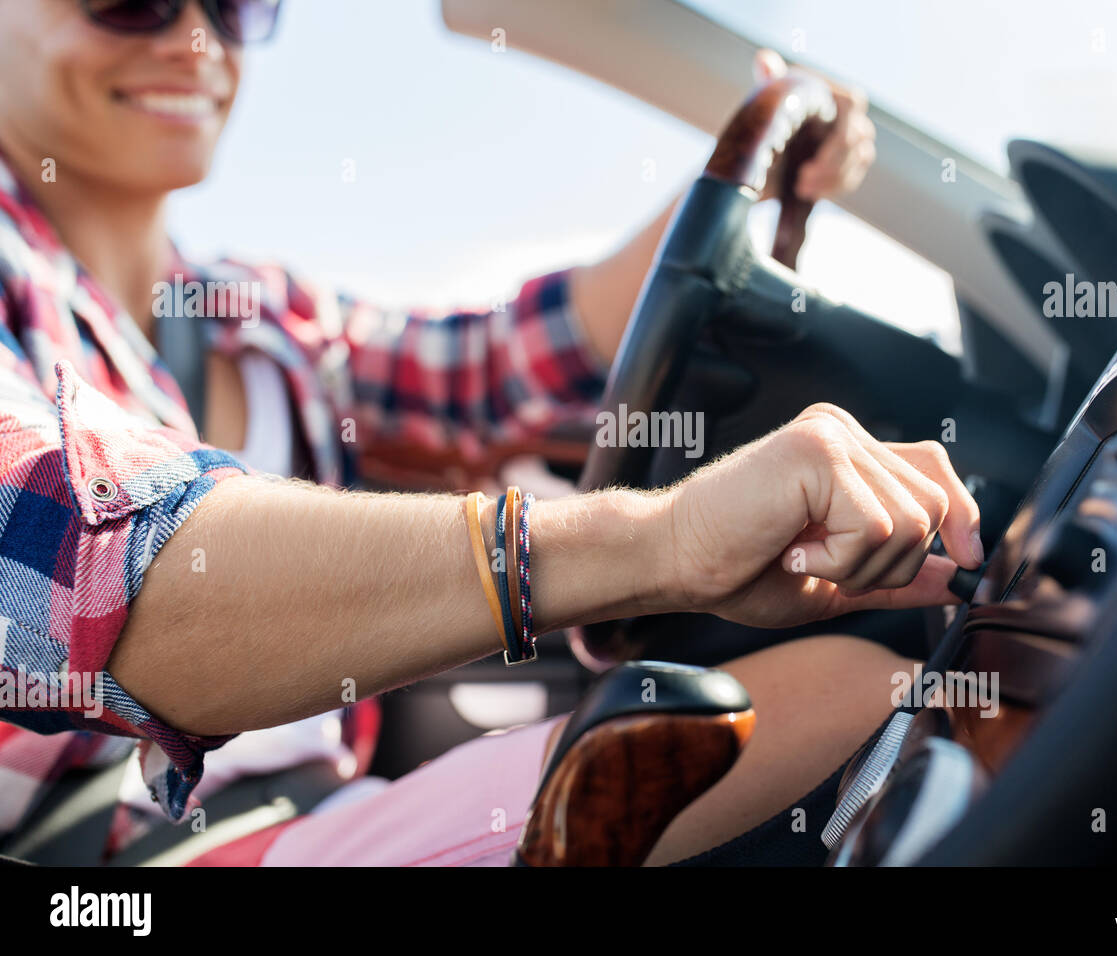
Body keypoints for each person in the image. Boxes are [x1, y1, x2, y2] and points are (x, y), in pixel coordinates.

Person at [0, 0, 981, 865]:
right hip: (128, 852)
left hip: (324, 807)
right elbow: (108, 575)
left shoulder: (252, 313)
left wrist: (744, 178)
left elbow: (498, 363)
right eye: (129, 4)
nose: (197, 42)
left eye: (235, 7)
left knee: (892, 687)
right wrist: (658, 541)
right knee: (871, 696)